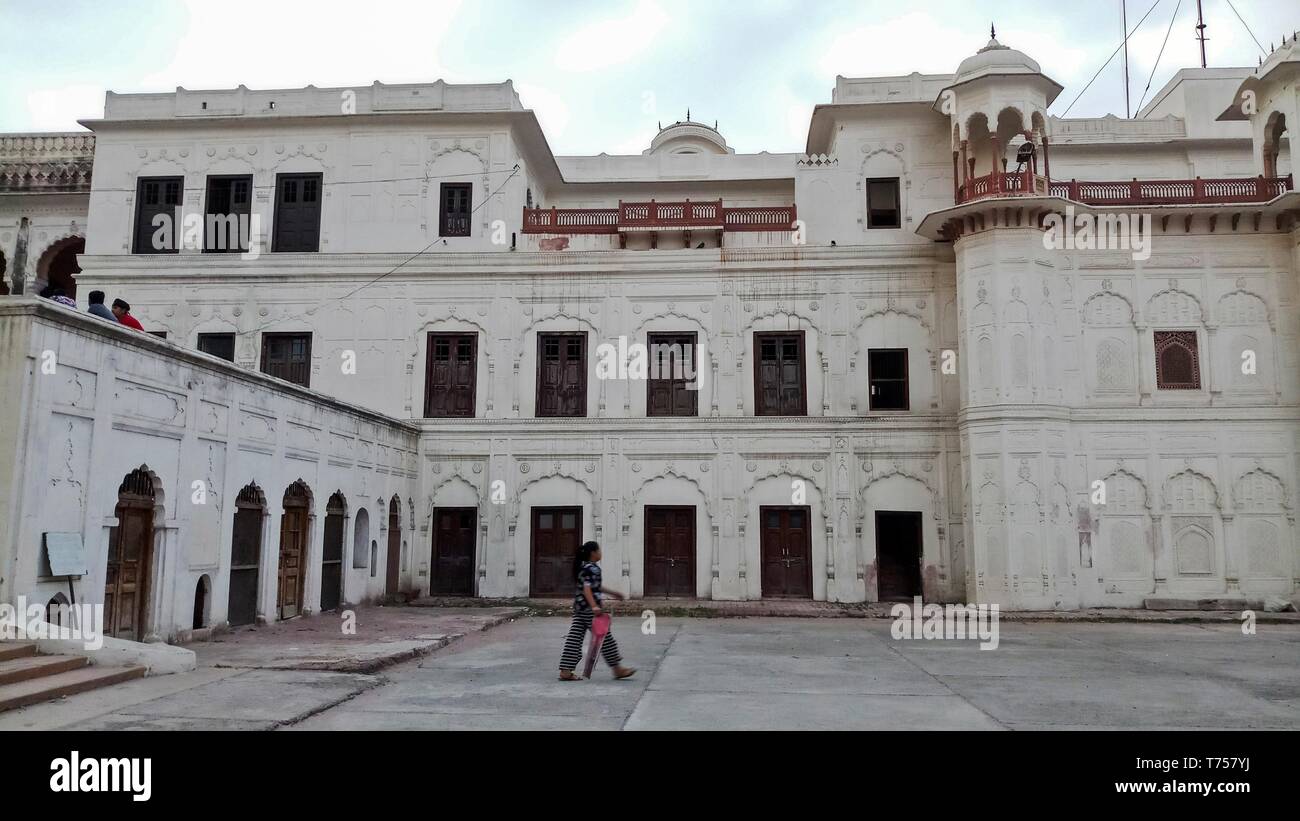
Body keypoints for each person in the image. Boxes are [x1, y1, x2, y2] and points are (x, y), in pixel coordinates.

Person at [558, 541, 636, 681]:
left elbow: (595, 586)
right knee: (605, 638)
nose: (601, 553)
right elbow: (587, 589)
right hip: (588, 609)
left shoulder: (587, 567)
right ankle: (617, 669)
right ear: (593, 553)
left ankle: (565, 670)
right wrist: (594, 606)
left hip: (580, 608)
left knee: (575, 637)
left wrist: (613, 593)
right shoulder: (590, 569)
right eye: (599, 550)